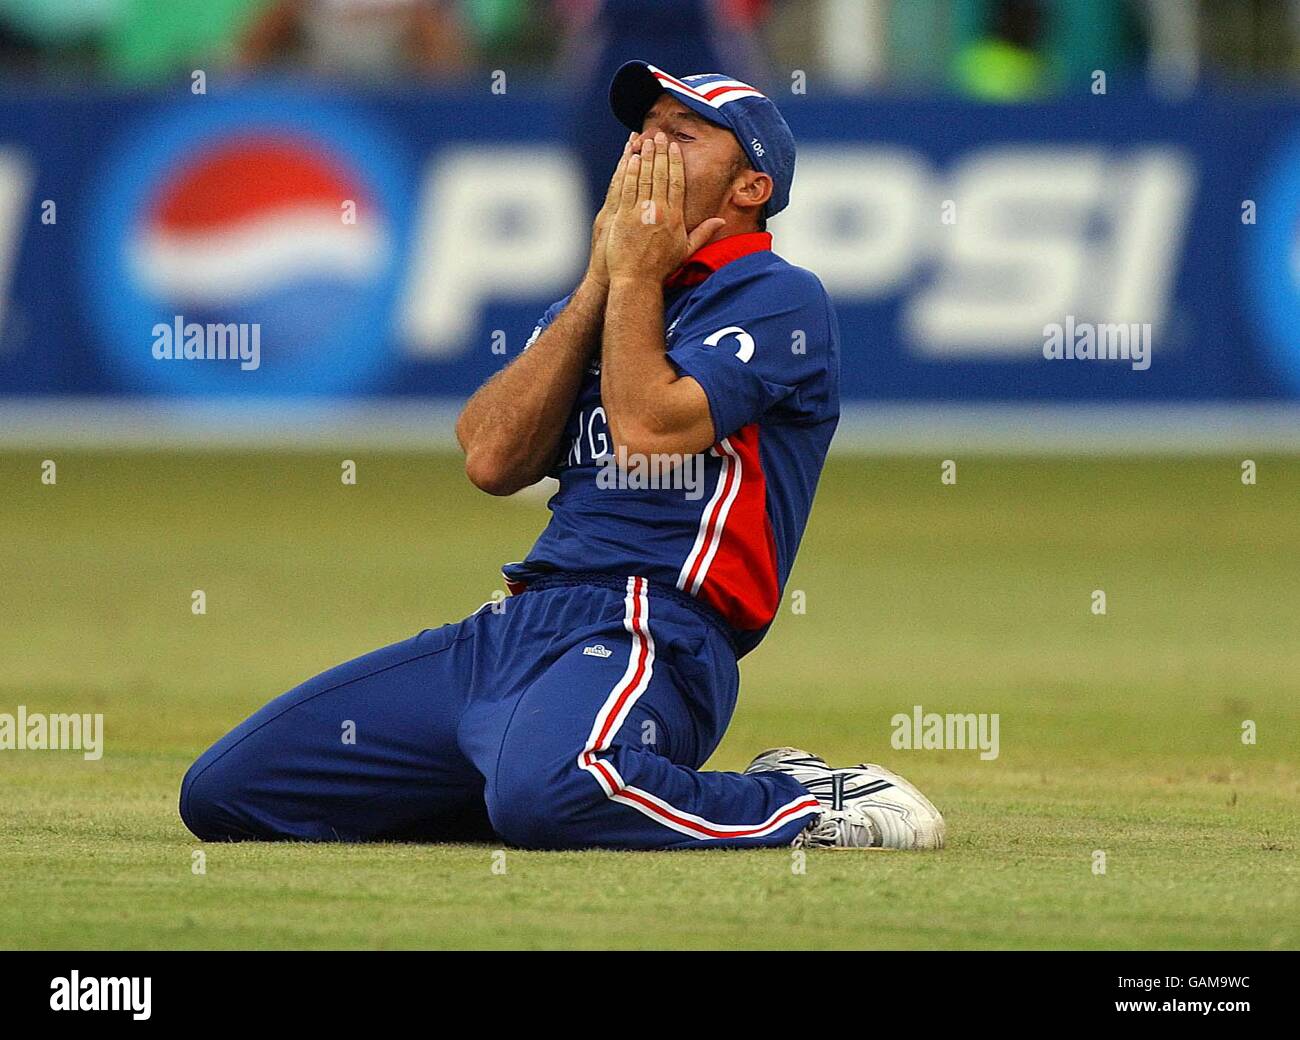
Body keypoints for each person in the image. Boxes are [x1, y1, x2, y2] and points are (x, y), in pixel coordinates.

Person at [179, 61, 945, 851]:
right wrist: (598, 284)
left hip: (655, 629)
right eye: (642, 131)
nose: (647, 147)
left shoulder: (779, 296)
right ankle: (530, 780)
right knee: (228, 794)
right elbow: (489, 456)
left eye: (681, 135)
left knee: (554, 791)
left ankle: (808, 799)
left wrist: (637, 275)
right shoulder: (609, 299)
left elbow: (649, 429)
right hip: (516, 624)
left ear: (750, 187)